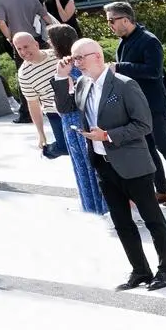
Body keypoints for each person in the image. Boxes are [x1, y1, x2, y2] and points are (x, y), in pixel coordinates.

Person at [71, 38, 166, 291]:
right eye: (74, 59)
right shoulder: (82, 84)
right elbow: (69, 108)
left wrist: (107, 135)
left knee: (152, 219)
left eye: (80, 58)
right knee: (121, 223)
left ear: (96, 56)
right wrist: (59, 75)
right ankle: (140, 270)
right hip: (103, 165)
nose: (77, 64)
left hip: (133, 164)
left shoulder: (125, 85)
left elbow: (144, 125)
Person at [107, 2, 166, 208]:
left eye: (111, 21)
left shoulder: (149, 40)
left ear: (125, 19)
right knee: (149, 150)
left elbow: (154, 71)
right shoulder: (124, 42)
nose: (110, 26)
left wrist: (119, 67)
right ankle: (161, 190)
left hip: (154, 105)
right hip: (137, 107)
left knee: (165, 148)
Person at [45, 26, 108, 219]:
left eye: (50, 40)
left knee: (88, 166)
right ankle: (98, 207)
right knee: (87, 166)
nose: (47, 43)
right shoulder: (71, 66)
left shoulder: (71, 69)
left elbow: (66, 104)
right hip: (74, 124)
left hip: (77, 125)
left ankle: (99, 207)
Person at [9, 29, 58, 153]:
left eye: (26, 46)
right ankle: (48, 152)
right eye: (19, 49)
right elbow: (33, 104)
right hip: (53, 113)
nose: (23, 52)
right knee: (64, 147)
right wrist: (41, 133)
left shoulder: (56, 55)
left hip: (75, 107)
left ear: (36, 44)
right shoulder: (24, 74)